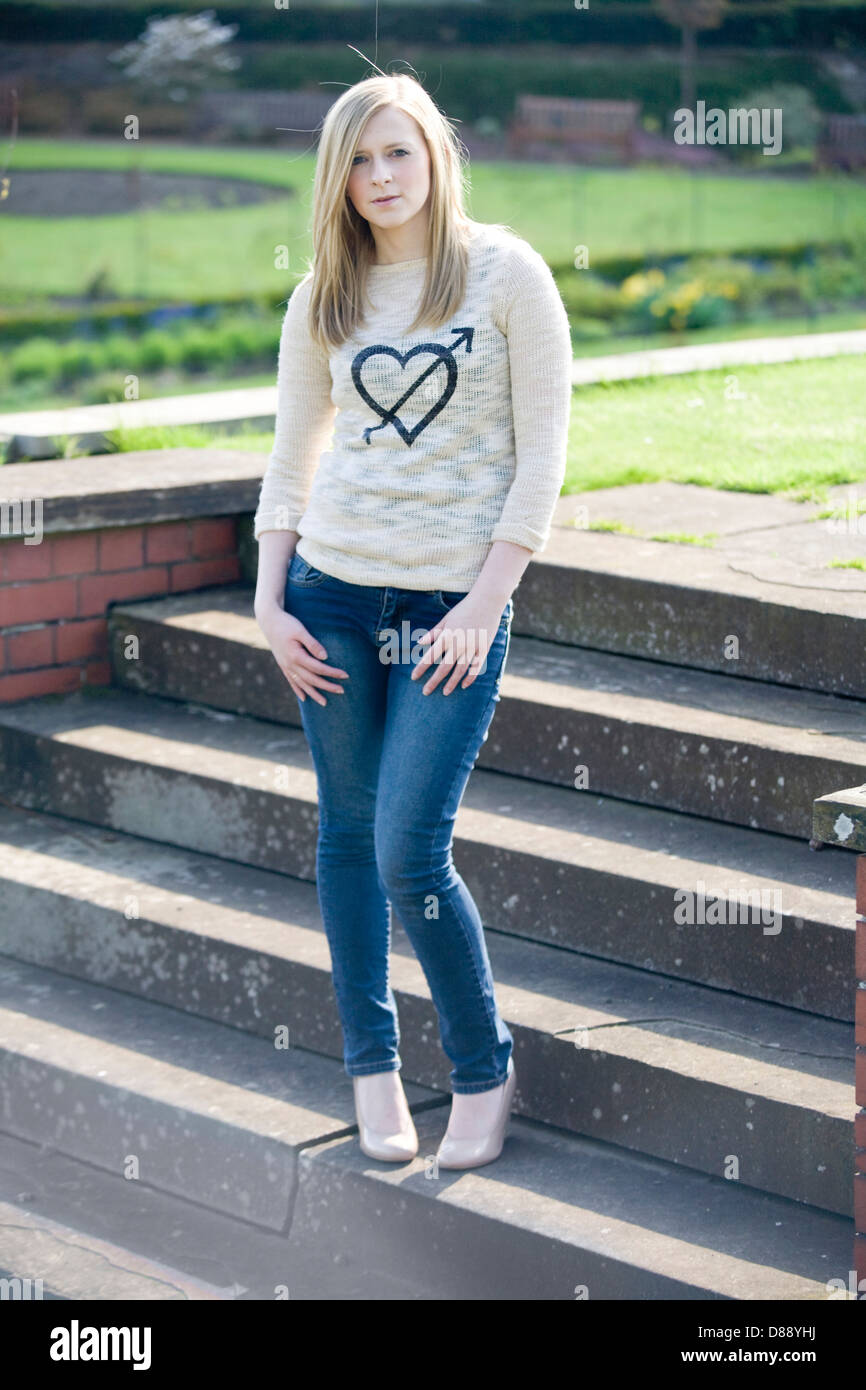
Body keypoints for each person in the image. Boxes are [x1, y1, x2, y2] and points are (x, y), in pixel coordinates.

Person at [254, 71, 573, 1170]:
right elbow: (292, 459)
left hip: (450, 608)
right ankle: (371, 1064)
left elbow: (540, 465)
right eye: (356, 160)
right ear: (334, 178)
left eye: (397, 153)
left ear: (436, 153)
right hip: (329, 597)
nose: (379, 178)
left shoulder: (507, 275)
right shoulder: (324, 297)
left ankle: (483, 1070)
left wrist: (484, 606)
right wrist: (266, 597)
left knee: (406, 850)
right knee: (344, 836)